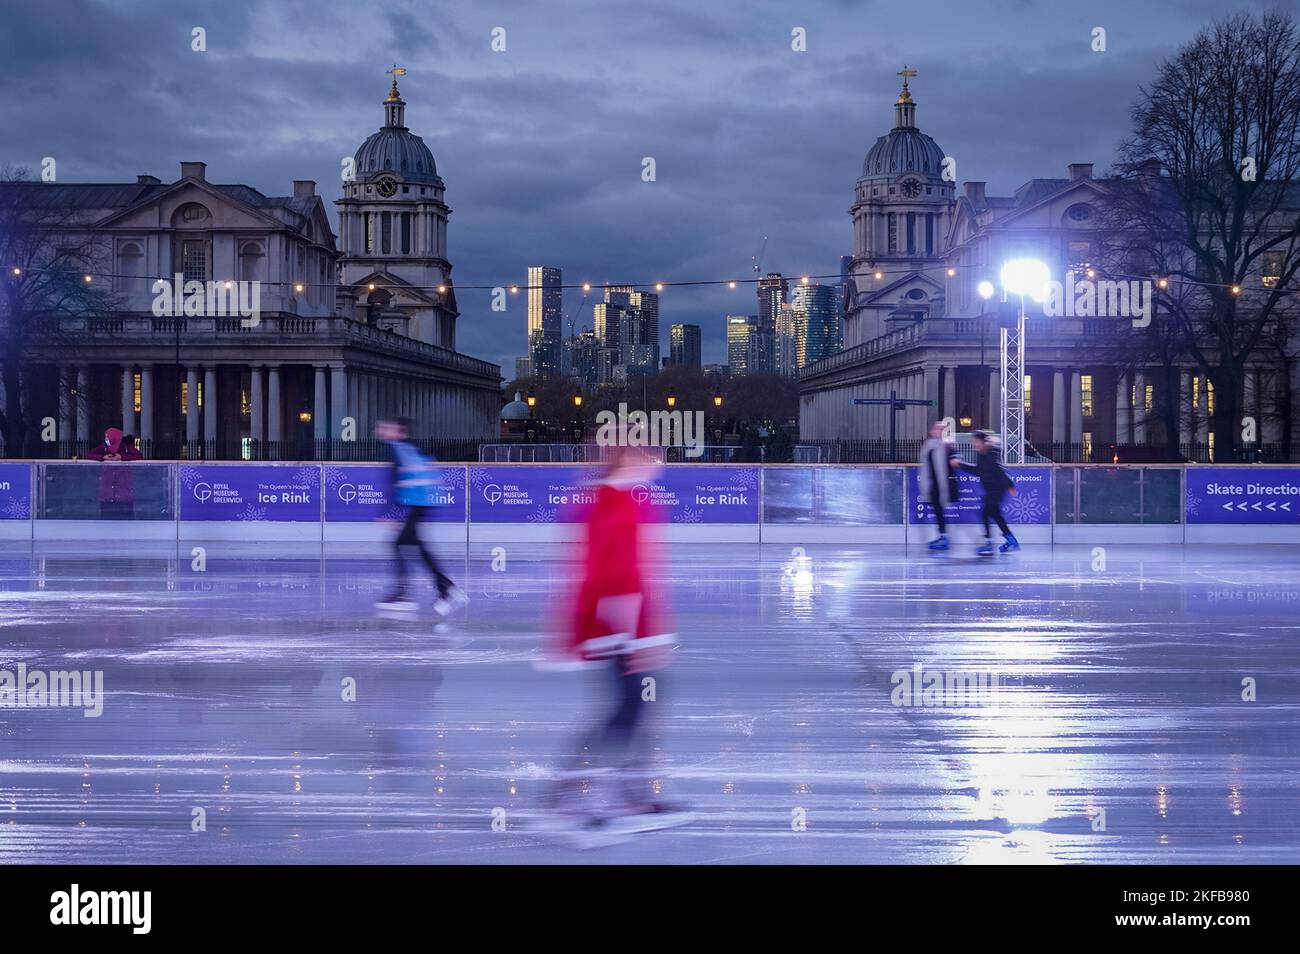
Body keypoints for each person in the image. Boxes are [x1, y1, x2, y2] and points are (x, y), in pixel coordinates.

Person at [540, 444, 690, 839]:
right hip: (612, 622)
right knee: (628, 705)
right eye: (649, 458)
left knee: (634, 703)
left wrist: (648, 628)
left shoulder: (626, 500)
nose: (657, 465)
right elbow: (607, 567)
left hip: (623, 621)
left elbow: (638, 568)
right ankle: (589, 791)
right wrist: (628, 629)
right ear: (628, 459)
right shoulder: (609, 501)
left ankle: (612, 789)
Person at [373, 417, 466, 615]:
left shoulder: (398, 449)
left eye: (386, 427)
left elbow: (394, 484)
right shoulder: (412, 448)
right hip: (423, 503)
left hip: (418, 503)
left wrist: (388, 513)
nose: (381, 430)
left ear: (399, 431)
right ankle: (445, 588)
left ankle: (403, 594)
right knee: (416, 546)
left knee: (401, 544)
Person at [951, 431, 1018, 556]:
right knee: (993, 514)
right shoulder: (982, 454)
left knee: (988, 512)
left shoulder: (990, 455)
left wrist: (1010, 485)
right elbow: (977, 471)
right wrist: (960, 465)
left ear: (982, 441)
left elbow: (999, 471)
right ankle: (1009, 540)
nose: (973, 445)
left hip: (997, 488)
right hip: (992, 489)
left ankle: (991, 543)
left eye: (975, 442)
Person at [86, 426, 143, 519]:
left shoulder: (126, 448)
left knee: (126, 520)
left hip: (124, 492)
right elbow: (90, 454)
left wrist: (121, 457)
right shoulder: (104, 448)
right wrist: (102, 458)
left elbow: (139, 456)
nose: (106, 439)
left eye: (107, 437)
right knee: (107, 519)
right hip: (107, 492)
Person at [917, 420, 955, 550]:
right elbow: (925, 465)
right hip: (932, 483)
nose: (939, 431)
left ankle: (944, 537)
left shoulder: (945, 446)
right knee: (938, 510)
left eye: (942, 429)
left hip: (940, 484)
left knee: (939, 511)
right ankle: (942, 536)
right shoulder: (929, 445)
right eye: (937, 429)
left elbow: (953, 460)